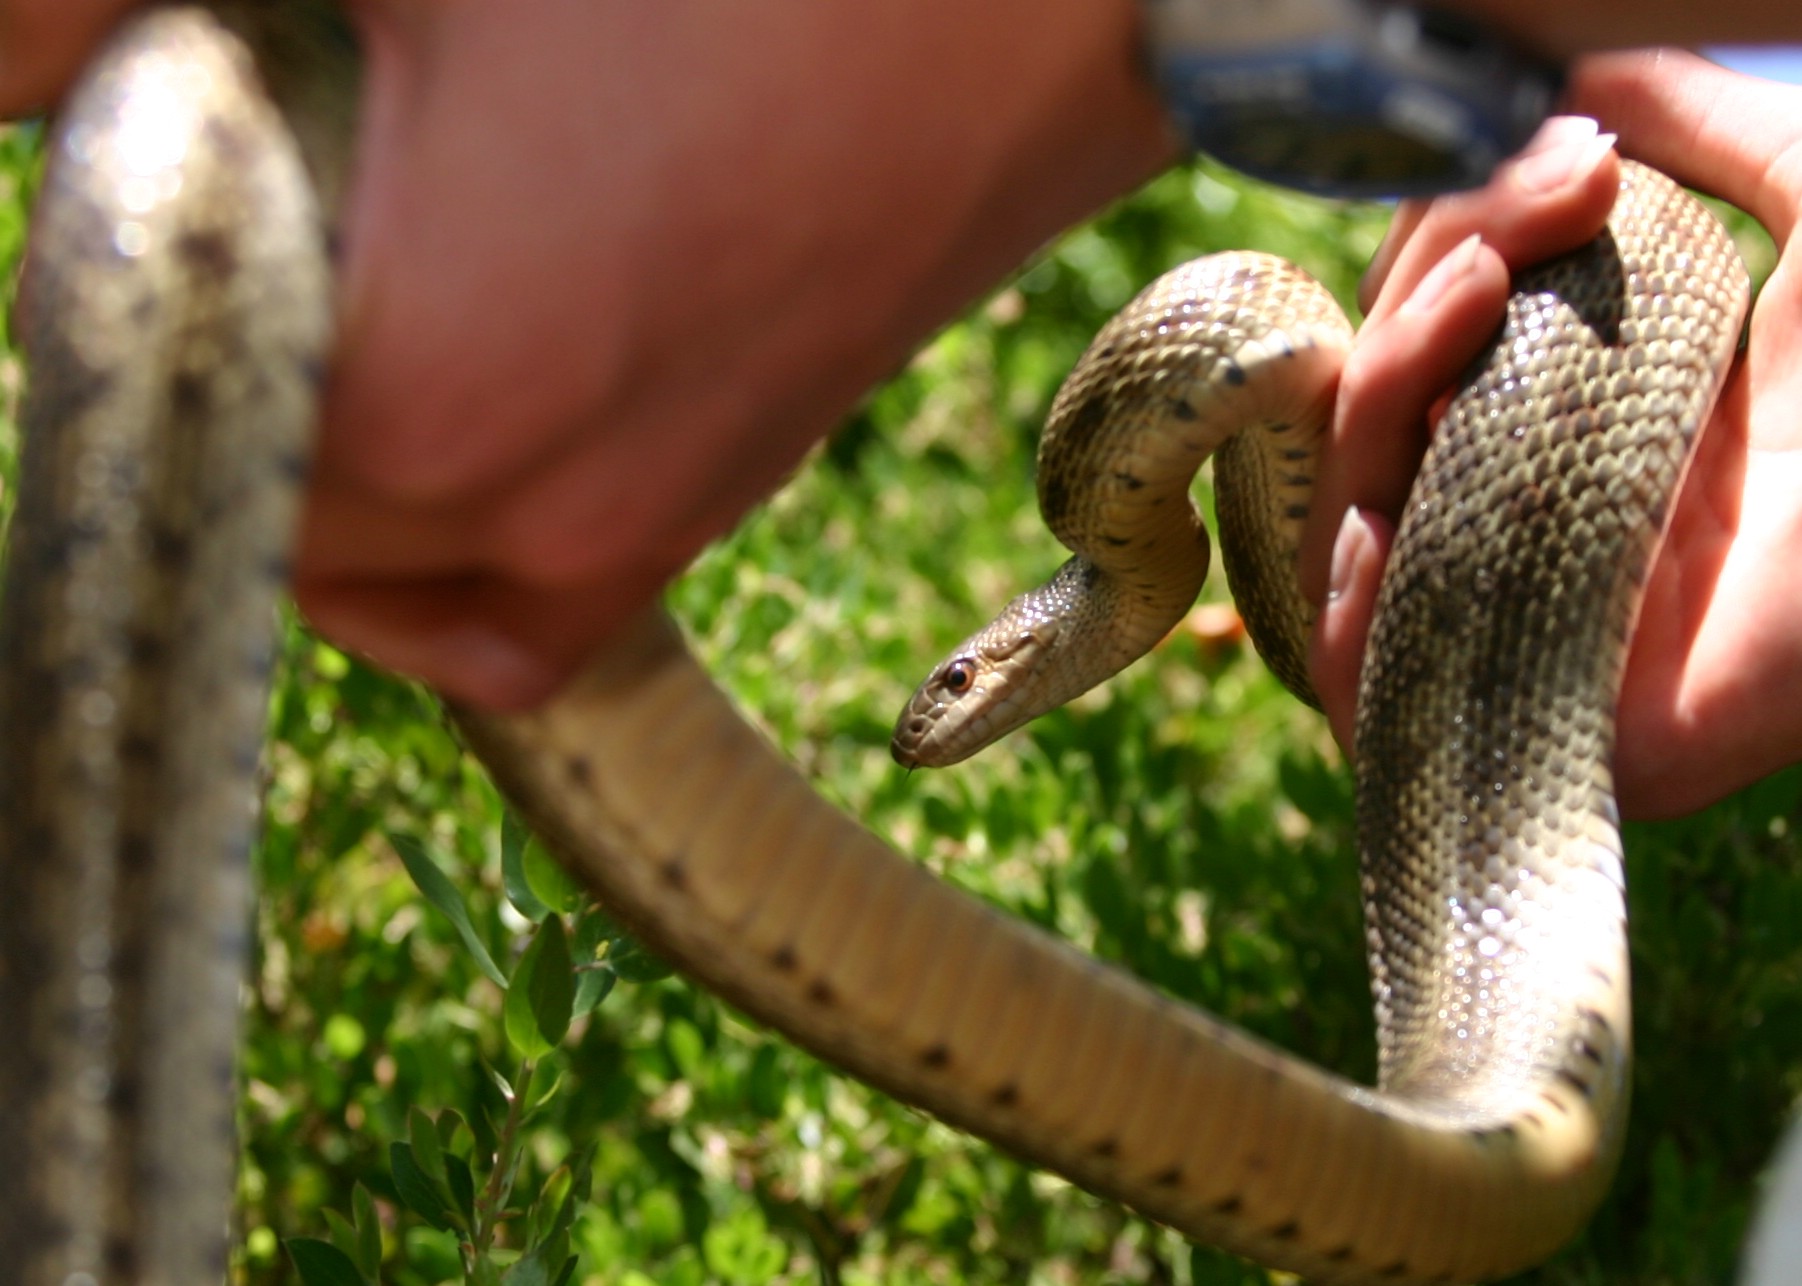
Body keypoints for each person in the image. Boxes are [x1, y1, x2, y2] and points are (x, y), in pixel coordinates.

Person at [0, 2, 1795, 819]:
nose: (947, 716)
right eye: (945, 699)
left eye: (944, 687)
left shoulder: (1106, 532)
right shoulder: (1165, 551)